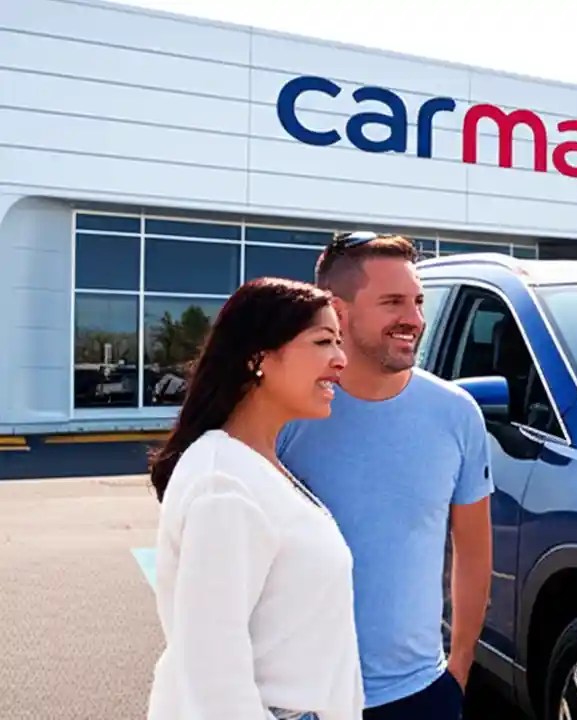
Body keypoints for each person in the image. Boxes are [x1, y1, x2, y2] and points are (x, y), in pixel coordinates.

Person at [276, 232, 494, 719]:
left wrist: (458, 667)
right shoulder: (286, 411)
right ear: (338, 309)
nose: (415, 319)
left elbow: (473, 550)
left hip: (421, 695)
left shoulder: (456, 413)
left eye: (417, 302)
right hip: (303, 701)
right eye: (393, 302)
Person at [144, 277, 362, 720]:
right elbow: (212, 672)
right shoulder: (224, 486)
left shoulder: (252, 464)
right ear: (258, 356)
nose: (341, 359)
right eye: (323, 341)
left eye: (339, 342)